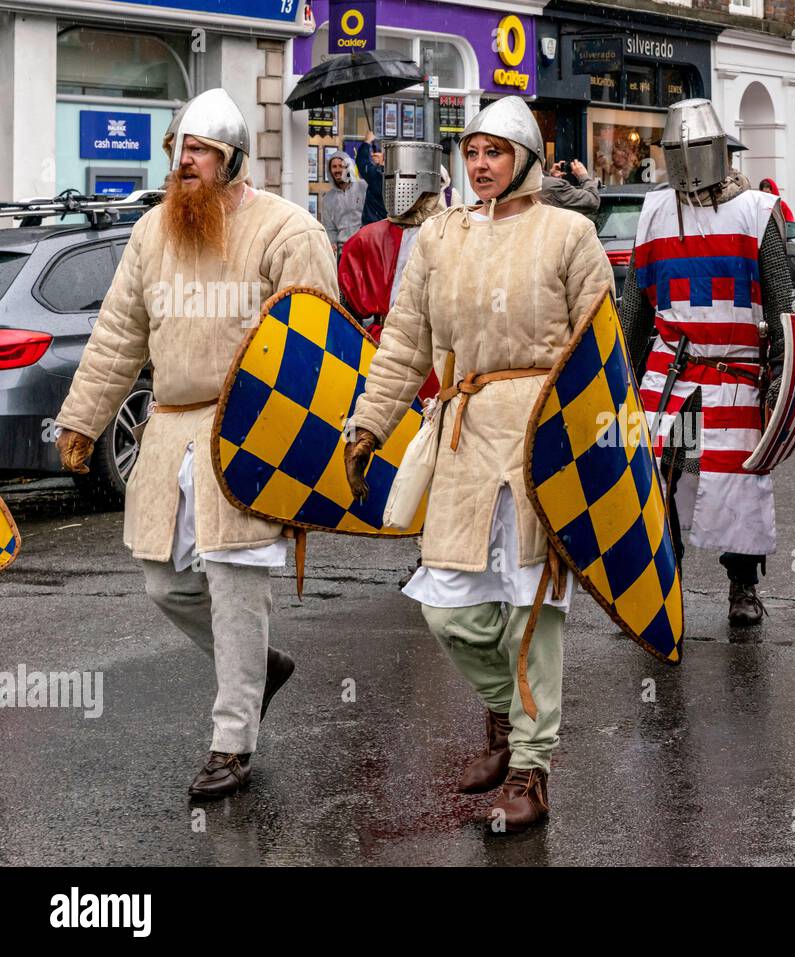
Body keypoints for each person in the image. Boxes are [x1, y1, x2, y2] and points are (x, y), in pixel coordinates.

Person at [52, 89, 337, 799]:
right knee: (164, 581)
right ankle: (260, 667)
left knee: (236, 587)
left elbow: (315, 352)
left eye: (200, 152)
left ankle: (231, 742)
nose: (185, 163)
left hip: (246, 431)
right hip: (172, 426)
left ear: (232, 158)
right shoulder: (152, 232)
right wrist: (82, 420)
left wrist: (304, 456)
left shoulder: (287, 230)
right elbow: (119, 333)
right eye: (180, 150)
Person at [343, 96, 612, 833]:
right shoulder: (438, 236)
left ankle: (531, 767)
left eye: (496, 151)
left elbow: (601, 355)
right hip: (461, 433)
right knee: (448, 609)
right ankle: (505, 709)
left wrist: (598, 454)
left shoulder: (570, 233)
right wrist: (369, 424)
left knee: (533, 613)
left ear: (523, 158)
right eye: (473, 152)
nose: (482, 163)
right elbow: (402, 341)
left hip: (540, 439)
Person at [618, 98, 794, 627]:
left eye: (695, 149)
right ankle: (660, 584)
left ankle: (742, 586)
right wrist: (623, 367)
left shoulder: (757, 211)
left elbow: (781, 304)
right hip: (670, 370)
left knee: (735, 483)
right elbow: (637, 301)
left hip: (734, 371)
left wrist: (784, 370)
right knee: (659, 482)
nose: (687, 162)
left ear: (718, 150)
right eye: (677, 151)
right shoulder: (654, 209)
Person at [338, 141, 450, 402]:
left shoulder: (453, 235)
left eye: (410, 178)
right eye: (392, 177)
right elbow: (345, 316)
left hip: (437, 351)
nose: (400, 186)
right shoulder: (365, 240)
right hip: (378, 349)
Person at [320, 149, 366, 255]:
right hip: (343, 252)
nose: (337, 170)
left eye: (341, 166)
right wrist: (331, 243)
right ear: (329, 171)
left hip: (365, 247)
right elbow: (329, 228)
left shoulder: (363, 187)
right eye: (334, 167)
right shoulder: (328, 199)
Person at [356, 131, 388, 225]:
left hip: (373, 226)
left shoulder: (378, 176)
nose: (374, 154)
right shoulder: (399, 176)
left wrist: (367, 142)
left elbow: (361, 161)